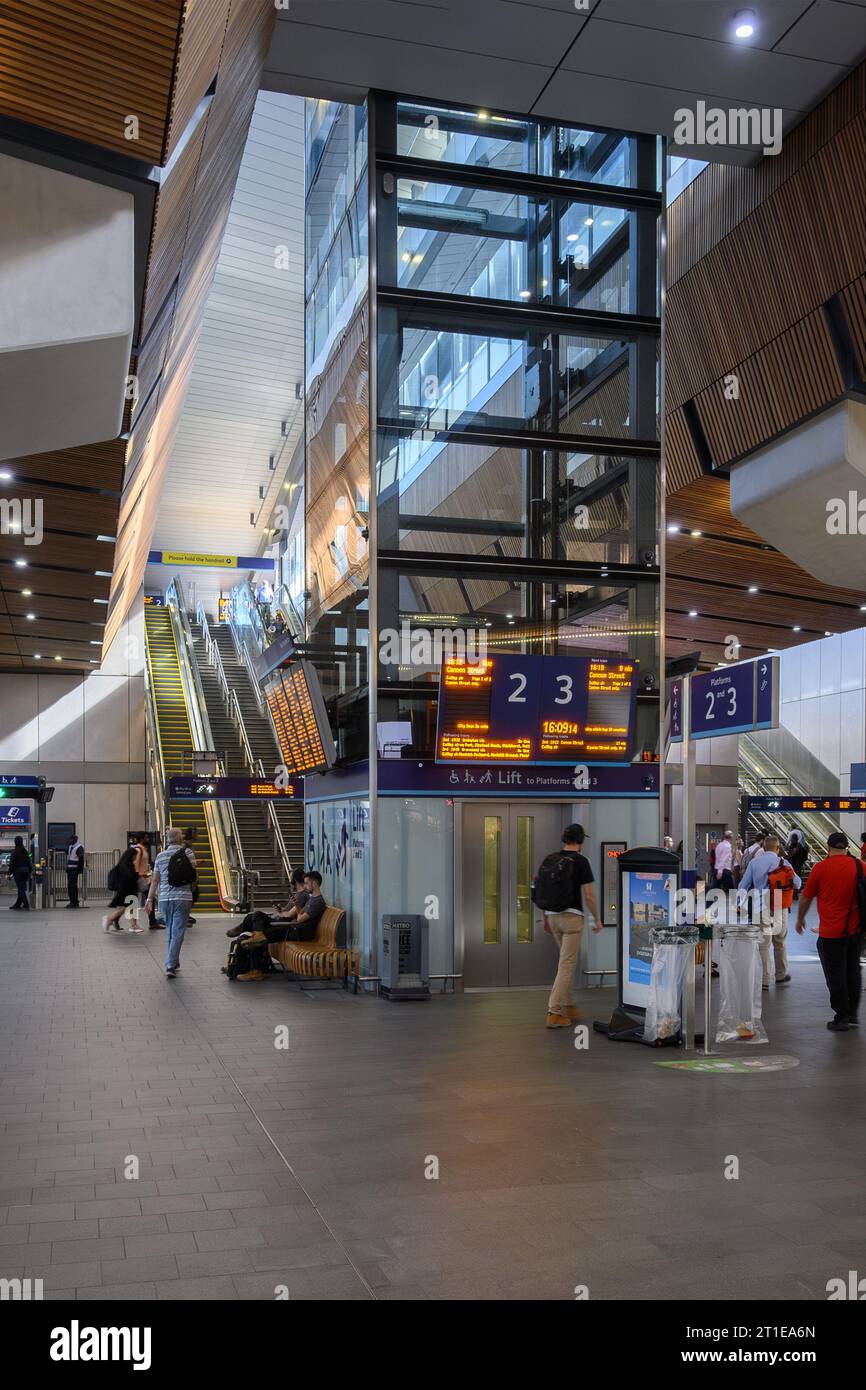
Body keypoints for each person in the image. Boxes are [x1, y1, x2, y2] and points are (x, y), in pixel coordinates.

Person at [533, 824, 601, 1029]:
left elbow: (541, 890)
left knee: (565, 961)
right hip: (572, 918)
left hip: (553, 917)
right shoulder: (581, 861)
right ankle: (554, 1012)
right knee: (567, 964)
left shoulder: (550, 859)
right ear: (581, 841)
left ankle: (569, 1005)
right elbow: (588, 895)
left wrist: (545, 918)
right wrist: (596, 919)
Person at [796, 832, 864, 1031]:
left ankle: (841, 1017)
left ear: (828, 848)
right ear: (847, 848)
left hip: (831, 933)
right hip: (857, 931)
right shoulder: (860, 866)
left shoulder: (821, 868)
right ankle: (852, 1014)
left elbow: (806, 897)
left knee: (836, 974)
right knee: (853, 971)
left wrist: (800, 919)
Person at [233, 872, 328, 982]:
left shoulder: (318, 902)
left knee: (259, 938)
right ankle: (254, 968)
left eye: (307, 883)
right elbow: (300, 914)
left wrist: (297, 908)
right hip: (296, 929)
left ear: (314, 883)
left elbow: (300, 919)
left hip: (299, 932)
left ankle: (255, 970)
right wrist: (296, 905)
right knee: (259, 937)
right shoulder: (313, 899)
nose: (305, 886)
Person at [739, 834, 799, 990]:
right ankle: (780, 975)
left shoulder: (755, 862)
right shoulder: (784, 863)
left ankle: (765, 980)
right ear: (778, 848)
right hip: (780, 906)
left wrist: (739, 904)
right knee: (779, 943)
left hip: (761, 906)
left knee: (764, 945)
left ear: (763, 848)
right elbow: (797, 883)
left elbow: (743, 886)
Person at [144, 827, 197, 979]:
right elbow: (194, 876)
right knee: (178, 932)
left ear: (168, 840)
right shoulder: (188, 853)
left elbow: (154, 880)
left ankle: (174, 961)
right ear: (181, 839)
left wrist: (149, 899)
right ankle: (170, 964)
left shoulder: (160, 856)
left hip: (165, 899)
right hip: (183, 898)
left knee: (171, 931)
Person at [225, 867, 307, 939]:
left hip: (282, 924)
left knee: (257, 915)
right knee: (251, 917)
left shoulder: (302, 896)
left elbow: (289, 914)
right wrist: (280, 909)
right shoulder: (298, 894)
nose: (290, 880)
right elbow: (288, 910)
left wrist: (281, 912)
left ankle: (250, 936)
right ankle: (244, 935)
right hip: (281, 920)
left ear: (294, 880)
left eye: (291, 878)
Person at [102, 847, 145, 933]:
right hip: (127, 889)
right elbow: (130, 876)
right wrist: (138, 875)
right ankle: (110, 919)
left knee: (129, 907)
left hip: (125, 888)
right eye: (135, 856)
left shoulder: (123, 863)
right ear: (131, 855)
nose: (136, 858)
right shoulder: (127, 864)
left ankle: (133, 925)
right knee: (127, 907)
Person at [7, 836, 32, 910]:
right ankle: (18, 904)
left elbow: (12, 863)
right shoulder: (25, 851)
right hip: (25, 872)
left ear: (15, 842)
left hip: (18, 872)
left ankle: (26, 904)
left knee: (21, 889)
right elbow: (28, 862)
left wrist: (9, 873)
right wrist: (29, 871)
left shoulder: (15, 851)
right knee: (21, 888)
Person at [183, 827, 198, 926]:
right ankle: (184, 917)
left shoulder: (190, 845)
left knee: (194, 895)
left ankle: (186, 915)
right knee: (191, 896)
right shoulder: (185, 846)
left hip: (191, 875)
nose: (197, 835)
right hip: (187, 876)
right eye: (195, 833)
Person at [65, 834, 85, 908]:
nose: (69, 841)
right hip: (70, 869)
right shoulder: (70, 846)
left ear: (75, 840)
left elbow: (81, 859)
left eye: (71, 840)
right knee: (70, 886)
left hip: (74, 869)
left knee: (73, 886)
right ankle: (72, 901)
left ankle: (74, 902)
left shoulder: (79, 847)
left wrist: (79, 869)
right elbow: (67, 852)